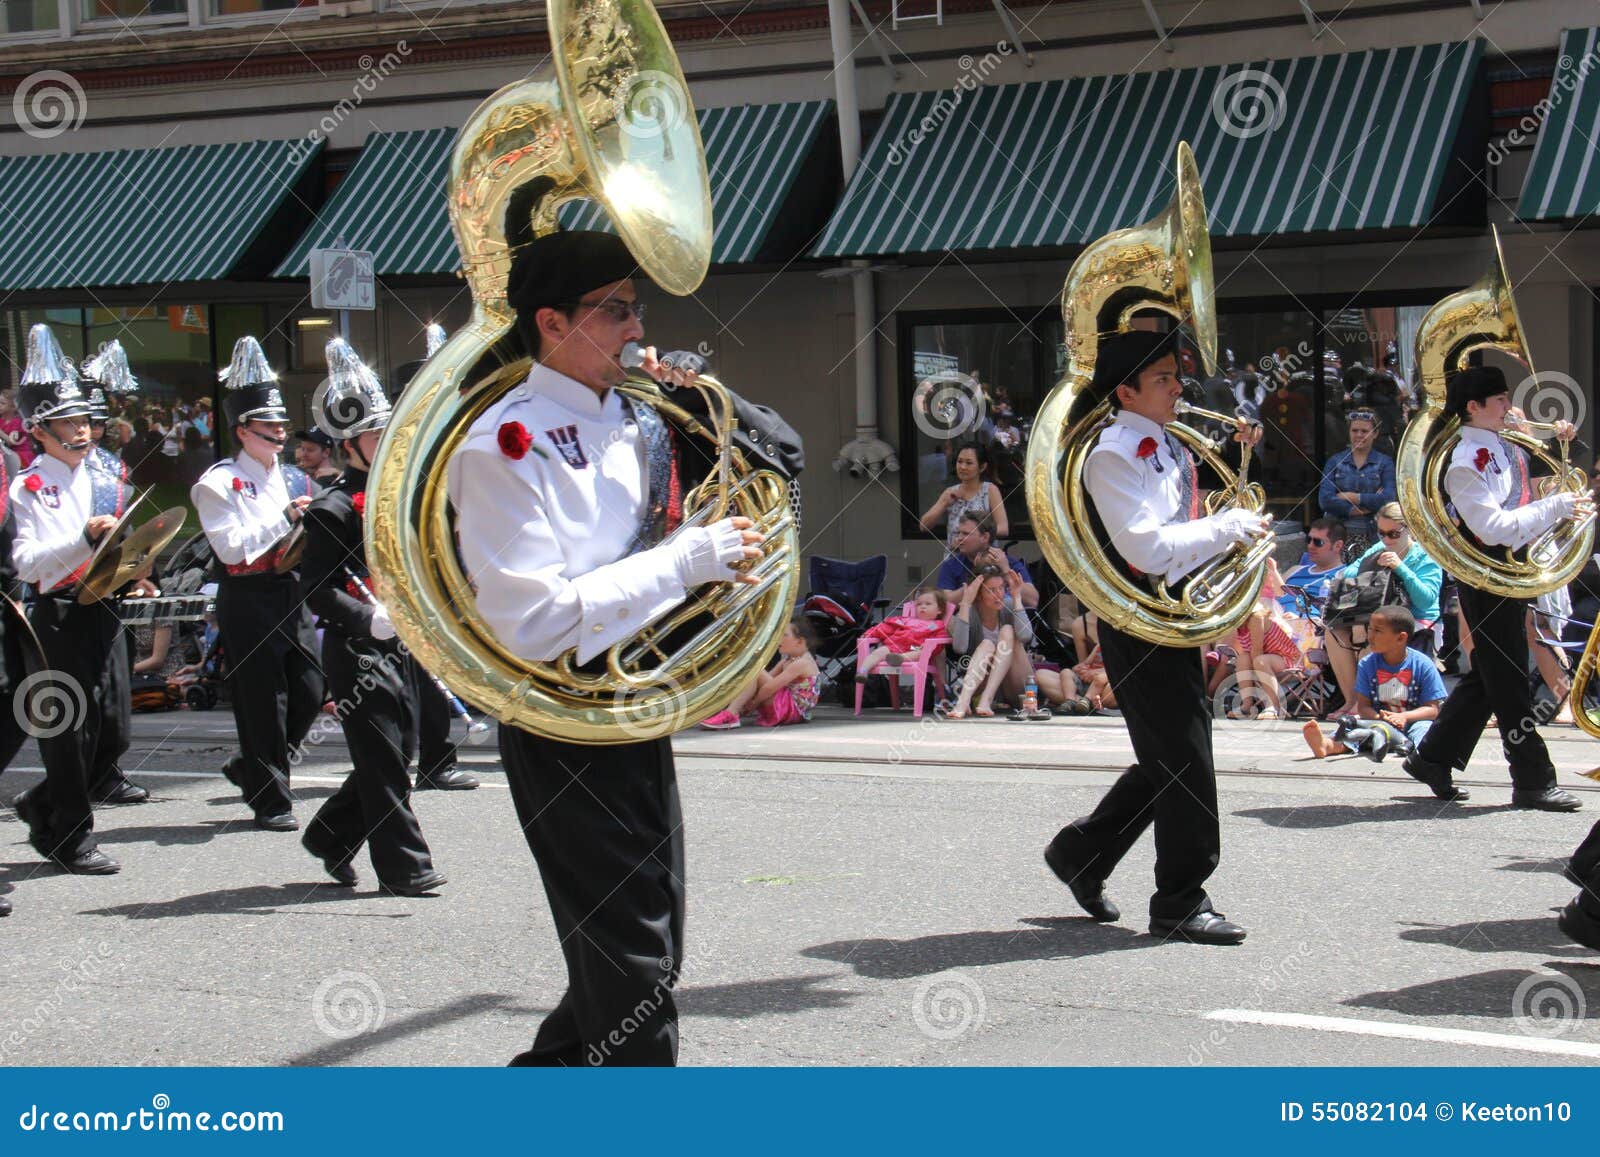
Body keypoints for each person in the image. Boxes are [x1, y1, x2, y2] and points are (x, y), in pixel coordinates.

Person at [445, 229, 802, 1066]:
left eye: (635, 308)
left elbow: (779, 459)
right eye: (615, 311)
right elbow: (531, 621)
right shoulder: (503, 443)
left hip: (639, 706)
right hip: (561, 720)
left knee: (645, 954)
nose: (637, 328)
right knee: (634, 967)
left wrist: (709, 404)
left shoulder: (643, 416)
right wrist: (683, 562)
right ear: (551, 322)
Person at [1043, 329, 1269, 946]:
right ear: (1126, 392)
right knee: (1186, 757)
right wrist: (1226, 528)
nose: (1177, 388)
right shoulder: (1112, 454)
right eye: (1163, 379)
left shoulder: (1165, 442)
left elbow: (1178, 528)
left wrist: (1230, 516)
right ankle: (1179, 900)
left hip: (1167, 616)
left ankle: (1082, 853)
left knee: (1171, 755)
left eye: (1176, 376)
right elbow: (1144, 548)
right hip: (1138, 620)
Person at [1403, 366, 1593, 809]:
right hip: (1488, 578)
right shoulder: (1464, 462)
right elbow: (1492, 528)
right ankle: (1532, 780)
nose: (1511, 406)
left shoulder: (1504, 444)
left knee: (1492, 675)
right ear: (1474, 406)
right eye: (1501, 400)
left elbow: (1540, 480)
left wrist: (1566, 443)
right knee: (1508, 680)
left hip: (1512, 573)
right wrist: (1558, 505)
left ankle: (1432, 757)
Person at [298, 338, 446, 896]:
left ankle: (330, 834)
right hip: (357, 646)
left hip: (402, 638)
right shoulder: (331, 508)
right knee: (384, 757)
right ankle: (406, 868)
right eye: (375, 433)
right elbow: (317, 591)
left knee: (396, 751)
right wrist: (368, 619)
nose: (388, 441)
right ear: (349, 444)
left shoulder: (399, 496)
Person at [6, 324, 143, 875]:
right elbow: (27, 564)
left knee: (114, 728)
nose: (82, 429)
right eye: (67, 421)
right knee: (68, 731)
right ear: (40, 430)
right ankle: (70, 837)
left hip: (104, 605)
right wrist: (82, 541)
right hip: (57, 615)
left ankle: (43, 802)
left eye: (84, 419)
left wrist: (137, 568)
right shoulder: (27, 487)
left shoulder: (106, 477)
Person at [191, 336, 326, 832]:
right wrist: (283, 518)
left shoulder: (296, 478)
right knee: (263, 702)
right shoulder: (216, 482)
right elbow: (231, 549)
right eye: (269, 425)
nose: (280, 432)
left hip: (291, 591)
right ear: (243, 430)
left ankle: (253, 768)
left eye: (281, 424)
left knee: (310, 689)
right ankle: (271, 799)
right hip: (247, 596)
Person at [1324, 502, 1442, 711]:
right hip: (1378, 614)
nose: (1386, 540)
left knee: (1370, 630)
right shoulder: (1379, 548)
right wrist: (1368, 564)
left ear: (1409, 529)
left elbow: (1426, 600)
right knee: (1334, 632)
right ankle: (1352, 700)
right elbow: (1346, 574)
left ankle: (1364, 704)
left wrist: (1400, 567)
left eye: (1393, 534)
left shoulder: (1425, 555)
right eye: (1381, 533)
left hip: (1418, 619)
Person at [1302, 606, 1445, 762]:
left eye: (1377, 631)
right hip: (1379, 723)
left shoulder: (1423, 664)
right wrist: (1381, 717)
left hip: (1413, 723)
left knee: (1426, 729)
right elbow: (1363, 707)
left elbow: (1433, 710)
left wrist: (1403, 717)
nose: (1370, 636)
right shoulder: (1367, 664)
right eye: (1370, 629)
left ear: (1400, 638)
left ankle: (1416, 749)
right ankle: (1328, 745)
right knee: (1353, 727)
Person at [698, 619, 820, 729]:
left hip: (790, 710)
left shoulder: (802, 663)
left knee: (755, 671)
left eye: (784, 635)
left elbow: (769, 687)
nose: (778, 638)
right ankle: (731, 711)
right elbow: (765, 679)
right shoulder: (787, 661)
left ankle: (731, 714)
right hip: (785, 708)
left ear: (800, 641)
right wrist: (749, 695)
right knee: (753, 674)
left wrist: (754, 703)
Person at [946, 568, 1034, 719]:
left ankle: (986, 700)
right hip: (982, 683)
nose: (999, 594)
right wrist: (965, 603)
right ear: (979, 594)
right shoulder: (970, 612)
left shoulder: (1008, 605)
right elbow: (959, 648)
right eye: (992, 590)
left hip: (1016, 685)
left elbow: (1026, 636)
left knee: (1007, 630)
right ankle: (963, 703)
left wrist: (1017, 597)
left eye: (1001, 588)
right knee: (987, 644)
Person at [1318, 409, 1395, 549]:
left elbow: (1388, 499)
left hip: (1373, 536)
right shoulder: (1335, 461)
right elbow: (1325, 500)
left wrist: (1352, 497)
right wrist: (1359, 509)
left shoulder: (1385, 463)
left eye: (1364, 431)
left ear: (1375, 433)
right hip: (1336, 537)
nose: (1359, 435)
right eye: (1354, 430)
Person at [934, 512, 1038, 608]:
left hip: (1006, 619)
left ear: (985, 537)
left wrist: (1006, 572)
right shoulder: (951, 565)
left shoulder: (1010, 563)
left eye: (966, 534)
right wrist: (978, 575)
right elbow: (944, 604)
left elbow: (1033, 601)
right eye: (959, 533)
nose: (959, 538)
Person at [920, 443, 1007, 546]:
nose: (962, 467)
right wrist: (943, 503)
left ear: (982, 467)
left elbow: (1003, 529)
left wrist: (974, 537)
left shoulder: (990, 490)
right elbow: (923, 526)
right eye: (960, 461)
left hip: (983, 555)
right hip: (954, 554)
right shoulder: (950, 492)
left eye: (969, 463)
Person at [855, 587, 947, 679]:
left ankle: (900, 658)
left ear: (939, 610)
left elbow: (940, 641)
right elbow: (883, 628)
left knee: (920, 652)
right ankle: (863, 671)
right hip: (894, 646)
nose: (923, 606)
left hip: (914, 647)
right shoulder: (905, 620)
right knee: (878, 652)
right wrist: (869, 634)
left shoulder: (937, 626)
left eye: (928, 604)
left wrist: (927, 646)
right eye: (919, 604)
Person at [1276, 516, 1346, 614]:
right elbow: (1271, 593)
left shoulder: (1344, 575)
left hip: (1306, 620)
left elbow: (1337, 616)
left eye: (1318, 542)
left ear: (1337, 546)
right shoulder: (1295, 570)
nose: (1310, 546)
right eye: (1309, 540)